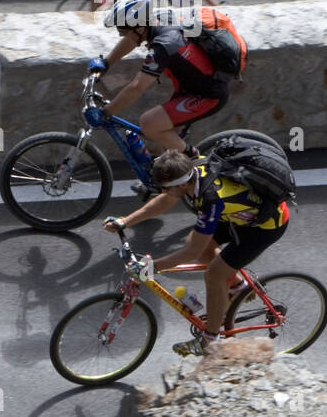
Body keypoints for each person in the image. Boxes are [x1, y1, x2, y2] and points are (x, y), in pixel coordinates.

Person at [102, 148, 290, 356]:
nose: (163, 191)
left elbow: (191, 253)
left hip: (265, 226)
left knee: (214, 274)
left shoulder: (210, 199)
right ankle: (239, 287)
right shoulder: (193, 169)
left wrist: (150, 268)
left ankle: (210, 340)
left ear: (182, 184)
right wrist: (125, 221)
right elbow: (166, 200)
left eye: (166, 187)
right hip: (238, 215)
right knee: (195, 239)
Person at [91, 0, 229, 156]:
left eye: (122, 29)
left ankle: (194, 158)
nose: (121, 34)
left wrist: (106, 112)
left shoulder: (163, 45)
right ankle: (180, 173)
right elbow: (131, 39)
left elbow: (137, 87)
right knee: (168, 145)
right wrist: (107, 63)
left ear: (140, 28)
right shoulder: (156, 20)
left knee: (149, 123)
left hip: (208, 95)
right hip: (191, 88)